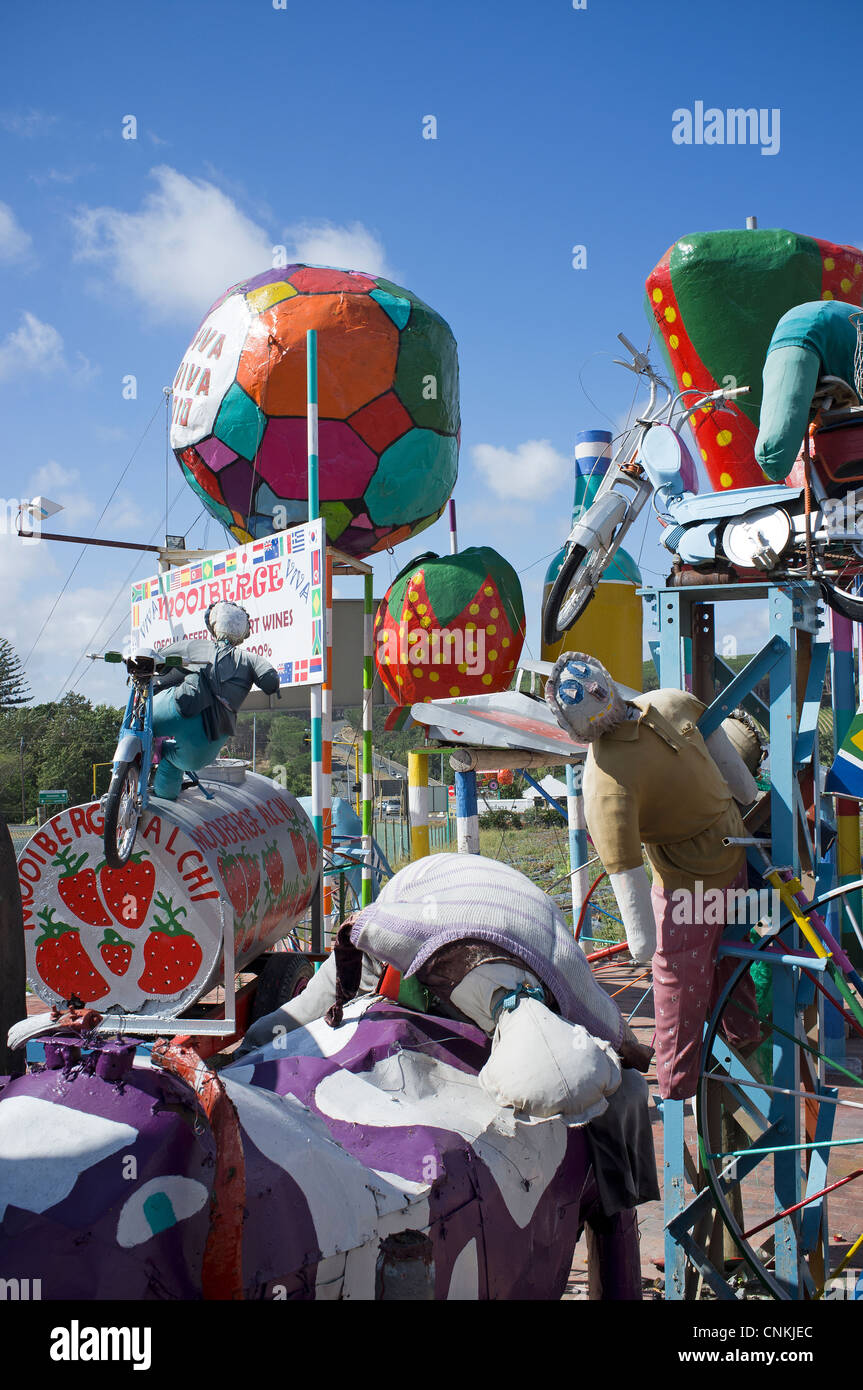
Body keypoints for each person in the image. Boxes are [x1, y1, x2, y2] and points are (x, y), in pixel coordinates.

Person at [545, 651, 762, 1101]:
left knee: (700, 970)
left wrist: (645, 944)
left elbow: (720, 751)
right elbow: (626, 871)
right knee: (699, 970)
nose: (592, 692)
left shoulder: (667, 705)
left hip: (721, 865)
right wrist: (644, 942)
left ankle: (721, 1053)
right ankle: (682, 1080)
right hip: (695, 877)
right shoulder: (606, 779)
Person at [151, 600, 280, 799]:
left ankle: (126, 766)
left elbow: (157, 660)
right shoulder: (250, 659)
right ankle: (162, 800)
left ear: (213, 626)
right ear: (244, 633)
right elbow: (270, 681)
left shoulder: (195, 646)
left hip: (180, 705)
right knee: (175, 762)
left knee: (140, 720)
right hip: (209, 736)